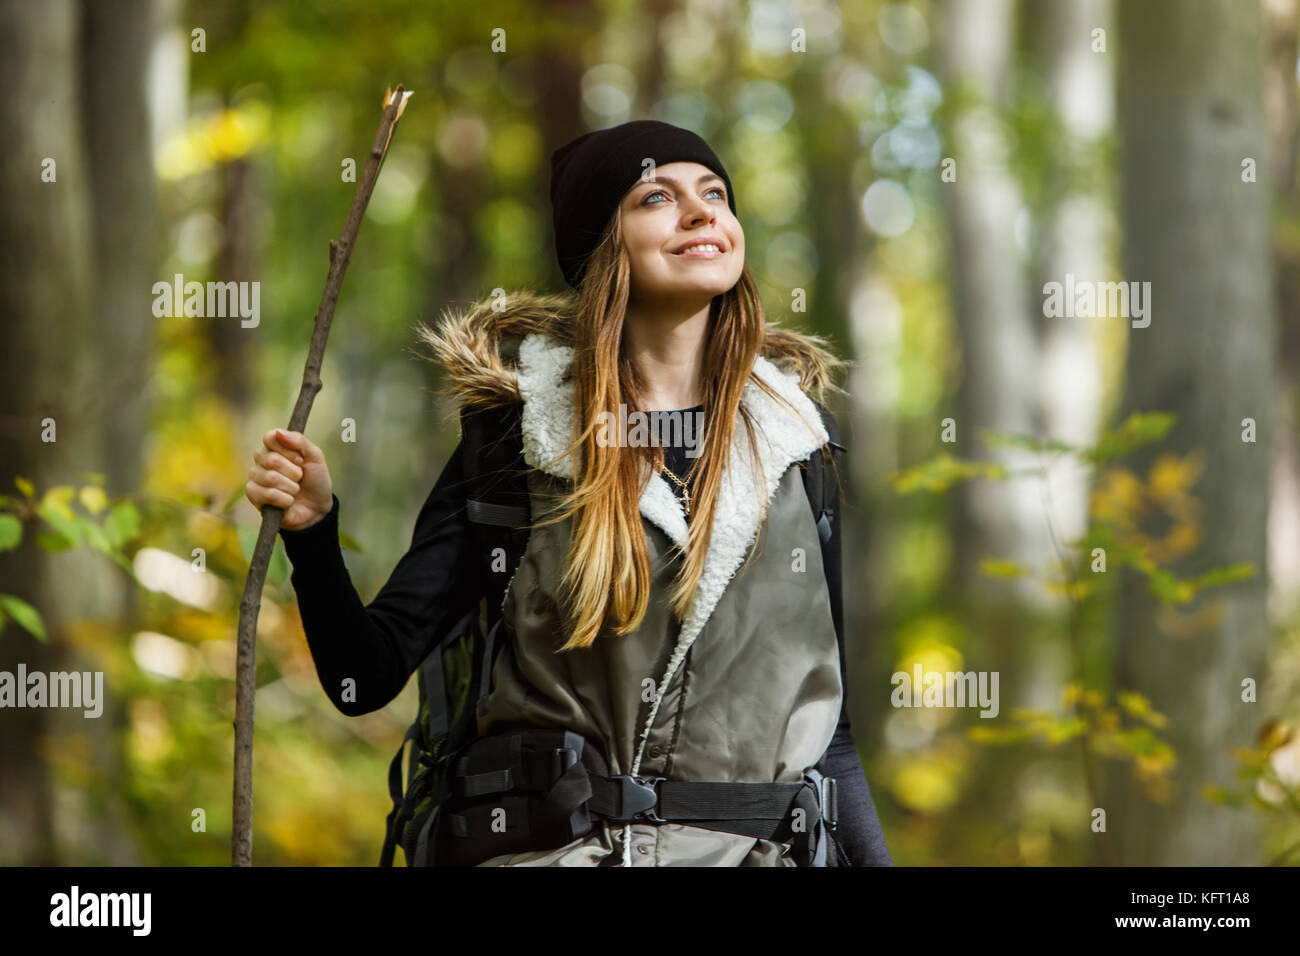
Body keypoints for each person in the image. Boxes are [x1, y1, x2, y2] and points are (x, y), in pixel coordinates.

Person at [245, 119, 892, 867]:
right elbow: (364, 676)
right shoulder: (515, 441)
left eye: (715, 194)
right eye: (657, 196)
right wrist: (314, 532)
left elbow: (833, 740)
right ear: (602, 247)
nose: (701, 212)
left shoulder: (799, 446)